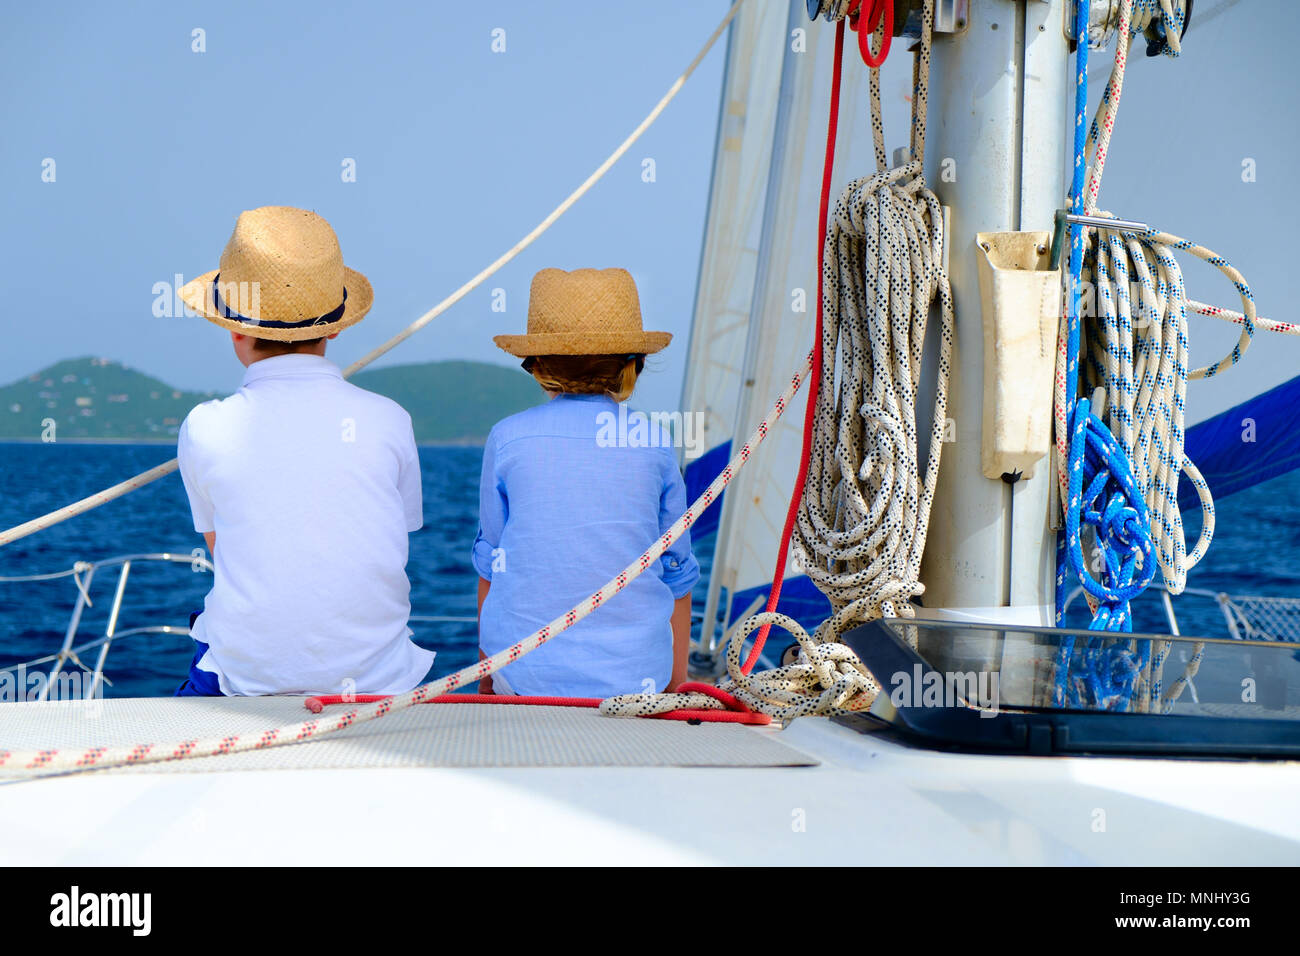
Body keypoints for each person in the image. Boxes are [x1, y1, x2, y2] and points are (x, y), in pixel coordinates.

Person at [172, 205, 433, 696]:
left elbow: (219, 546)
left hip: (244, 683)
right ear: (336, 326)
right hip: (377, 681)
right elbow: (389, 542)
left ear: (232, 325)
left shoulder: (204, 426)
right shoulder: (389, 419)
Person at [473, 267, 699, 698]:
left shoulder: (507, 438)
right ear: (633, 364)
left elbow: (491, 563)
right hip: (635, 681)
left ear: (536, 364)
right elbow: (676, 571)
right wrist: (676, 682)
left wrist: (489, 673)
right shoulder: (655, 442)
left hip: (521, 677)